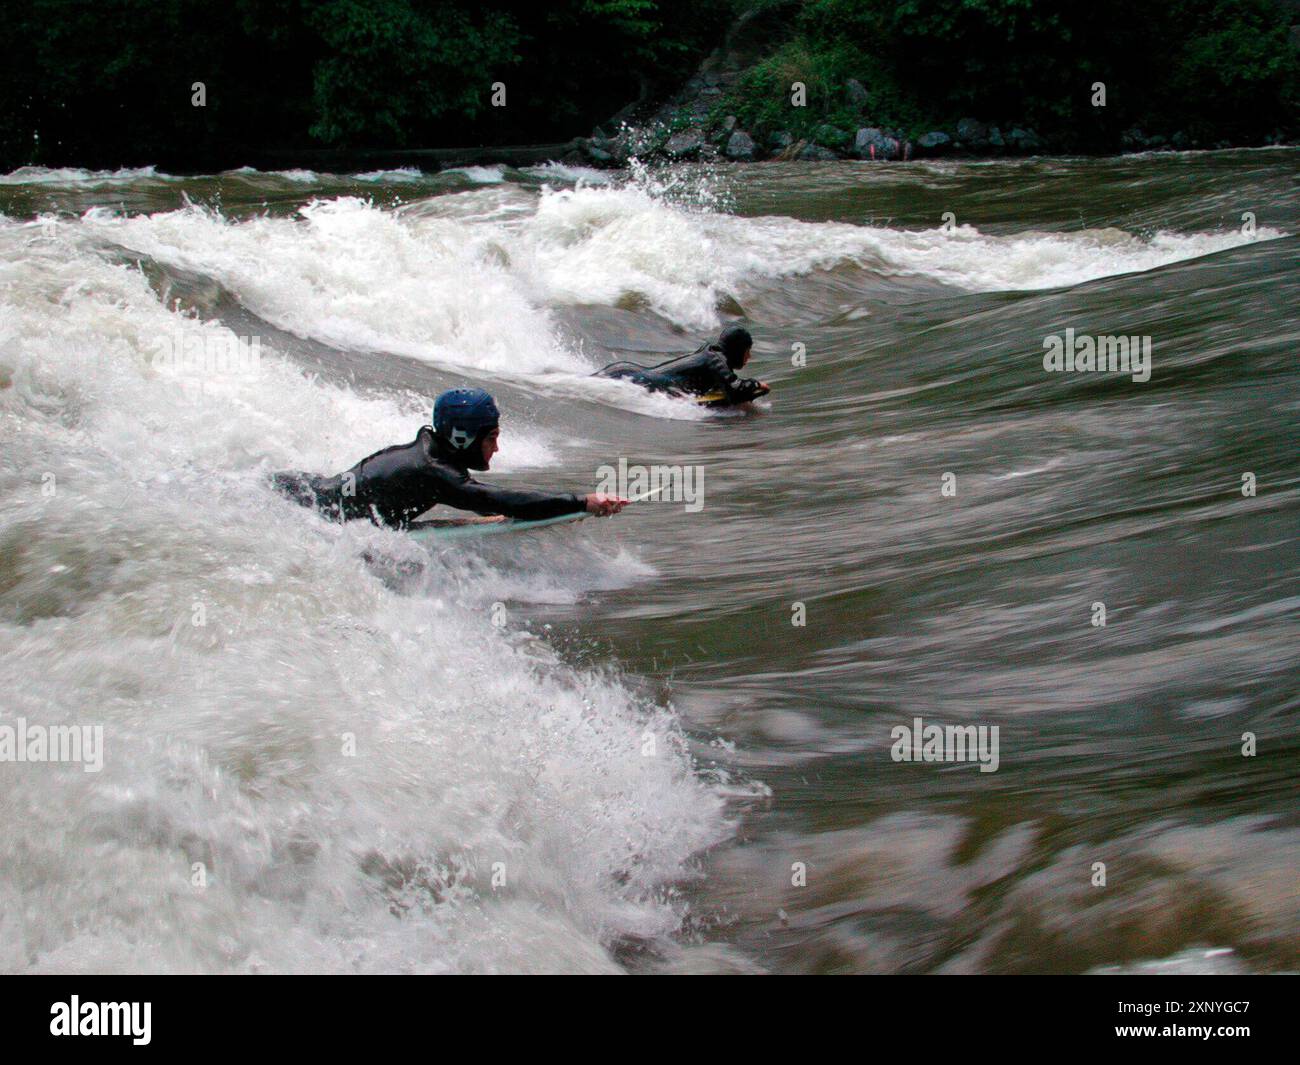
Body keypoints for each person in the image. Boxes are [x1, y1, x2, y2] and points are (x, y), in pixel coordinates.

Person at [272, 388, 626, 529]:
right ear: (463, 437)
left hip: (301, 493)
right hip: (294, 505)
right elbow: (490, 499)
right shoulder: (433, 470)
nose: (497, 450)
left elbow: (481, 501)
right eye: (491, 439)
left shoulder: (430, 457)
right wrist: (581, 502)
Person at [592, 325, 769, 408]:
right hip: (633, 379)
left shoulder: (710, 354)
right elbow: (735, 390)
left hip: (629, 373)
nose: (749, 357)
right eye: (747, 351)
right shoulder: (716, 360)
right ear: (737, 350)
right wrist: (756, 385)